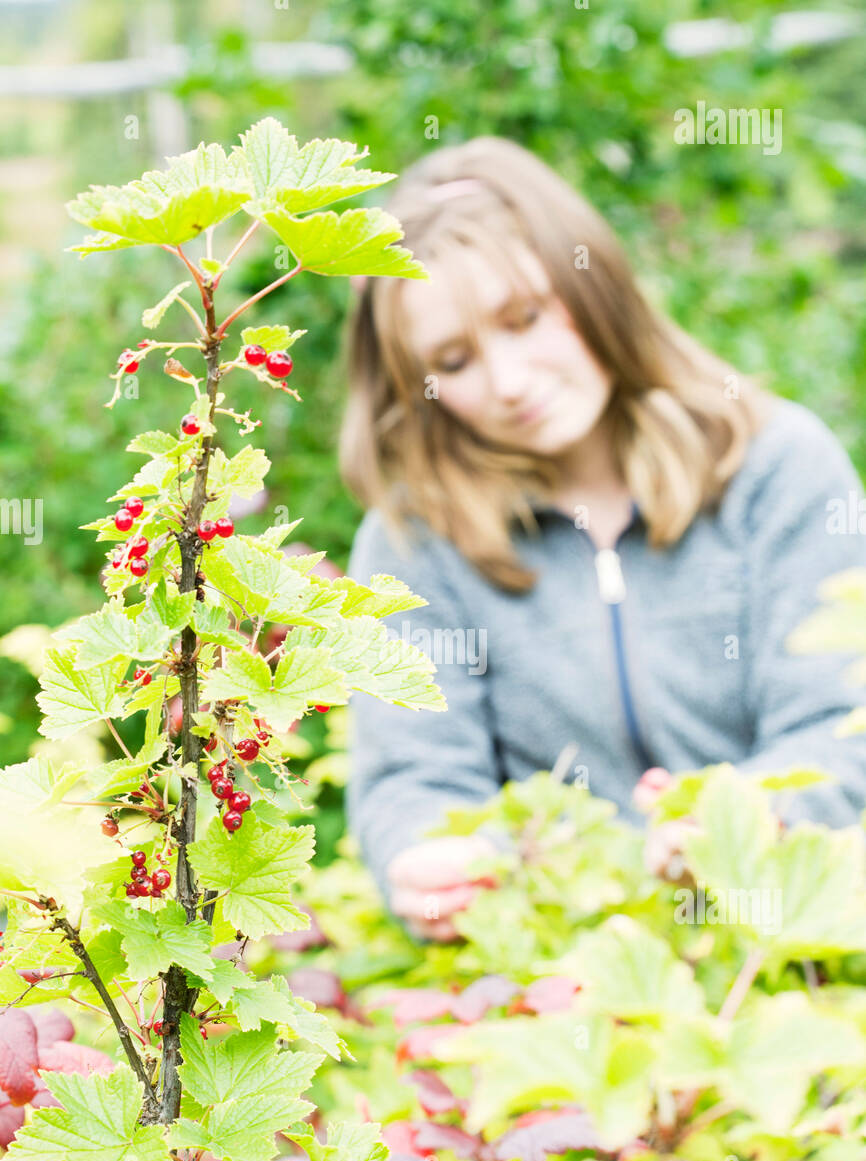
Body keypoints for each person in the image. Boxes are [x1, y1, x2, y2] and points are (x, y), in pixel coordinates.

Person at [337, 135, 866, 940]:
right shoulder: (416, 543)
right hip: (557, 973)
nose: (511, 382)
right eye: (455, 359)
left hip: (794, 943)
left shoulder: (777, 471)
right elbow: (417, 781)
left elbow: (841, 727)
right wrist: (426, 859)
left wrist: (738, 827)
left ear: (594, 285)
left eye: (525, 317)